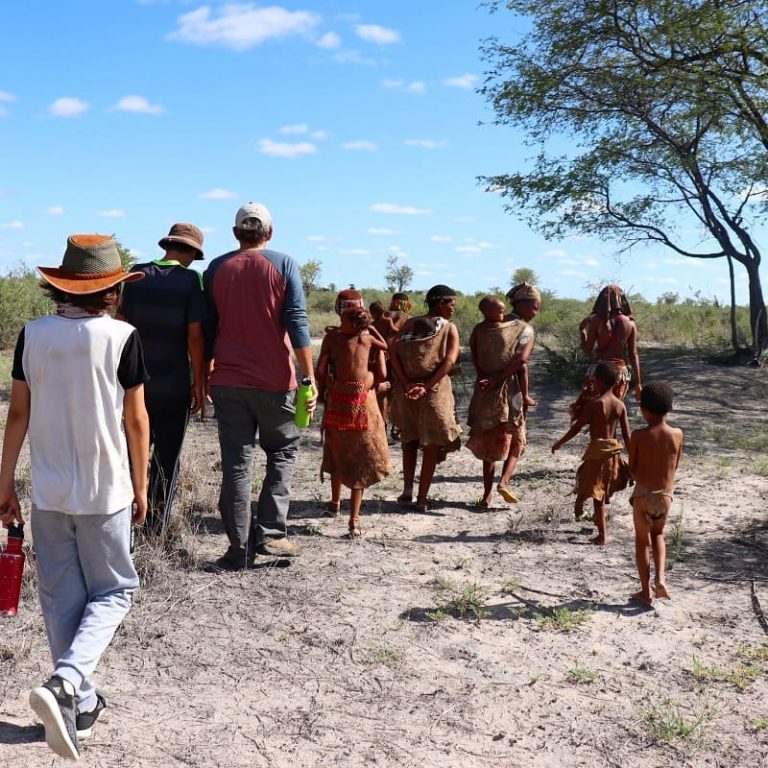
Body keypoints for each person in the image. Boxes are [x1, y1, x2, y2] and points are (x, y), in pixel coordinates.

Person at [0, 235, 150, 760]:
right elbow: (135, 418)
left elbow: (17, 414)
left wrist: (5, 484)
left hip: (48, 489)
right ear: (111, 290)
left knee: (62, 597)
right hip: (106, 488)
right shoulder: (122, 337)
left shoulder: (32, 335)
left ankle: (79, 705)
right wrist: (143, 482)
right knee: (114, 592)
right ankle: (66, 683)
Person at [203, 202, 316, 571]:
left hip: (228, 382)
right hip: (274, 383)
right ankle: (270, 535)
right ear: (270, 232)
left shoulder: (217, 268)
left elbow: (208, 329)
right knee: (281, 453)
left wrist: (203, 376)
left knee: (237, 465)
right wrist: (308, 377)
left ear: (236, 233)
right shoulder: (283, 264)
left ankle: (238, 549)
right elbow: (297, 322)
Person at [118, 222, 206, 534]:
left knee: (131, 454)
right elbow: (195, 336)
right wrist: (200, 382)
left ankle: (124, 524)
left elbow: (121, 323)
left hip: (132, 383)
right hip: (173, 383)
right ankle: (157, 528)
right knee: (167, 459)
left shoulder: (136, 272)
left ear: (166, 246)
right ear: (193, 253)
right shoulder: (190, 279)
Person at [316, 289, 391, 536]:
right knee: (350, 454)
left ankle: (348, 513)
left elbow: (320, 372)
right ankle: (344, 511)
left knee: (344, 453)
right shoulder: (361, 337)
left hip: (346, 401)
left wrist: (329, 386)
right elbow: (381, 374)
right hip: (356, 401)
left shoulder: (340, 338)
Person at [466, 285, 540, 507]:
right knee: (517, 437)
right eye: (535, 307)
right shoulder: (524, 329)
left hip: (485, 390)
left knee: (490, 440)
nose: (535, 313)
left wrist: (483, 378)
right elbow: (520, 362)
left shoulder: (483, 328)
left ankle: (487, 495)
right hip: (511, 390)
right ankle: (504, 483)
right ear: (523, 305)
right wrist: (502, 382)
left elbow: (474, 354)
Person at [390, 285, 462, 513]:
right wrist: (426, 386)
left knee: (409, 440)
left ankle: (407, 491)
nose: (453, 308)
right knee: (429, 444)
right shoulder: (448, 328)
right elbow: (449, 362)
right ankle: (421, 498)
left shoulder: (408, 325)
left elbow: (392, 352)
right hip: (433, 393)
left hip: (407, 392)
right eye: (451, 303)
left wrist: (406, 382)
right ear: (440, 303)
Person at [551, 362, 632, 545]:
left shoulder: (595, 405)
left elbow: (576, 428)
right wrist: (633, 456)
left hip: (597, 454)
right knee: (601, 489)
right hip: (614, 454)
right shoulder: (620, 405)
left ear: (598, 381)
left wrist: (560, 442)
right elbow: (627, 435)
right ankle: (592, 517)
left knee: (597, 495)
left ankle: (602, 535)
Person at [628, 382, 683, 605]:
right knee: (658, 535)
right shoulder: (678, 434)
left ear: (644, 410)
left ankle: (645, 592)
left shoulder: (639, 435)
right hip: (665, 497)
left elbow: (633, 469)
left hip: (643, 495)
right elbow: (675, 464)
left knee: (642, 541)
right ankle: (660, 579)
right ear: (670, 408)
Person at [571, 284, 641, 422]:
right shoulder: (630, 323)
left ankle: (597, 440)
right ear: (622, 300)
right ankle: (611, 439)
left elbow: (587, 350)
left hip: (599, 371)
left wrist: (582, 331)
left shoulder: (596, 321)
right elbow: (633, 354)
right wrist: (638, 383)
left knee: (595, 411)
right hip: (620, 373)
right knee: (613, 412)